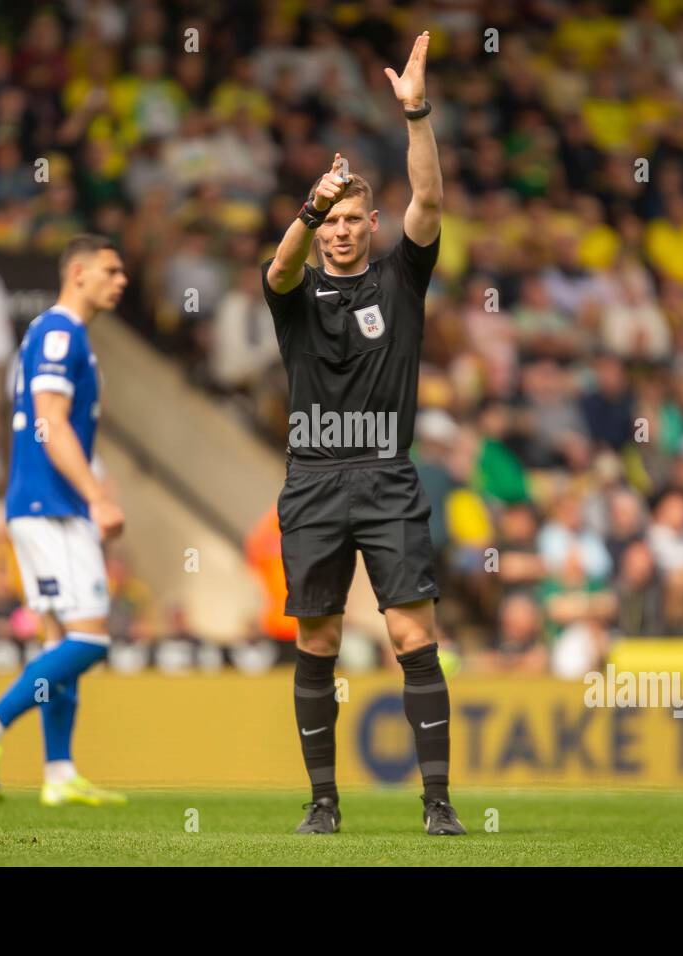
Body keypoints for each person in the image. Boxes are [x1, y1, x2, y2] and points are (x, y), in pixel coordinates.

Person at [261, 33, 464, 836]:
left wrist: (415, 114)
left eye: (352, 219)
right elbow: (276, 268)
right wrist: (306, 208)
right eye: (329, 221)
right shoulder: (294, 290)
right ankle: (322, 802)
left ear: (373, 224)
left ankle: (439, 803)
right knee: (317, 639)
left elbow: (432, 203)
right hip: (312, 476)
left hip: (385, 474)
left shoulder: (401, 279)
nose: (340, 232)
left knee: (414, 636)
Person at [0, 234, 128, 807]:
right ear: (77, 272)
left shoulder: (63, 336)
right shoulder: (59, 332)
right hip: (51, 507)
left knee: (59, 642)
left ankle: (58, 772)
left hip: (40, 504)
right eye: (110, 269)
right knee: (90, 638)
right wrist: (95, 495)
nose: (121, 280)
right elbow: (50, 421)